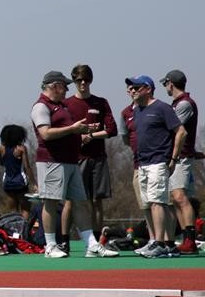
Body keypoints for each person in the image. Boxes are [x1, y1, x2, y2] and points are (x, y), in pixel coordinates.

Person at [31, 70, 117, 259]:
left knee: (80, 203)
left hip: (71, 161)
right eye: (64, 86)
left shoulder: (61, 105)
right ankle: (51, 245)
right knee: (51, 202)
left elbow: (69, 130)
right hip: (52, 162)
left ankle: (91, 245)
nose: (67, 89)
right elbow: (45, 133)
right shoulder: (41, 107)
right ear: (54, 86)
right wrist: (72, 129)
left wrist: (83, 130)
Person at [128, 75, 185, 258]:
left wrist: (174, 159)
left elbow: (181, 132)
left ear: (148, 89)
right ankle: (157, 242)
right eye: (132, 88)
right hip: (143, 163)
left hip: (158, 161)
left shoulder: (162, 108)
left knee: (157, 202)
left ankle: (160, 243)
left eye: (137, 87)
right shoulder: (137, 110)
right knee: (148, 203)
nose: (133, 91)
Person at [64, 65, 117, 240]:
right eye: (79, 80)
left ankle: (97, 239)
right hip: (76, 159)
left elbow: (112, 130)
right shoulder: (67, 104)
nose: (83, 83)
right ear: (74, 81)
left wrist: (91, 136)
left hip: (98, 158)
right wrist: (77, 137)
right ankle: (64, 240)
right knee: (72, 201)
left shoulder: (100, 102)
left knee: (97, 201)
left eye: (86, 79)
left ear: (91, 80)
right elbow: (62, 131)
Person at [159, 69, 199, 253]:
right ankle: (186, 239)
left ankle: (191, 240)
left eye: (165, 84)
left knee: (179, 196)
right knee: (175, 199)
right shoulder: (178, 103)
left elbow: (173, 129)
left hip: (180, 157)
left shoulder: (184, 104)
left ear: (171, 83)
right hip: (179, 156)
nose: (165, 87)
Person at [0, 124, 35, 215]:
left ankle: (14, 227)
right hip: (20, 181)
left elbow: (1, 163)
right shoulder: (21, 148)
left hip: (7, 181)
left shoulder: (2, 148)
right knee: (25, 208)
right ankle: (24, 228)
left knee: (13, 210)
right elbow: (27, 167)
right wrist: (34, 183)